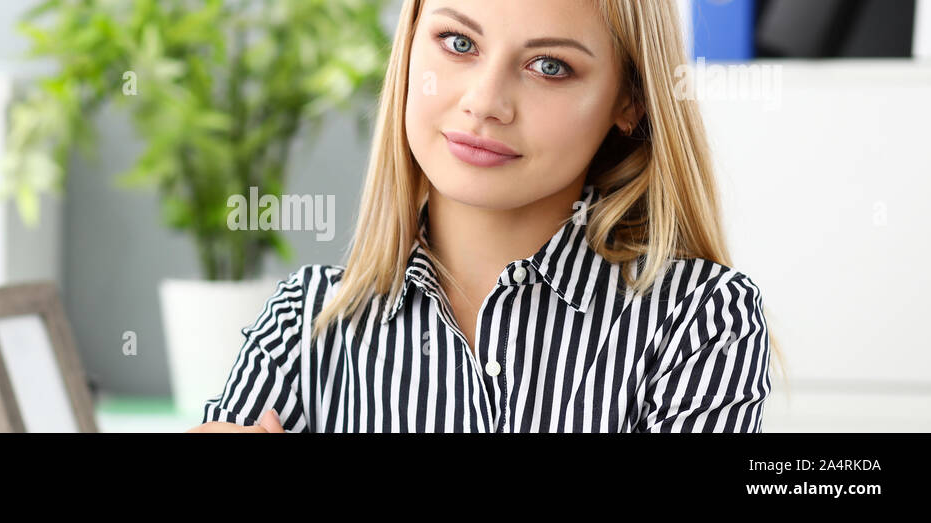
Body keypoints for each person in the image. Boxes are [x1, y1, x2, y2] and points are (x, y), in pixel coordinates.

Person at [187, 0, 781, 433]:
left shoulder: (699, 320)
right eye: (460, 43)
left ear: (629, 101)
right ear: (411, 44)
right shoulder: (304, 322)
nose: (485, 102)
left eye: (550, 66)